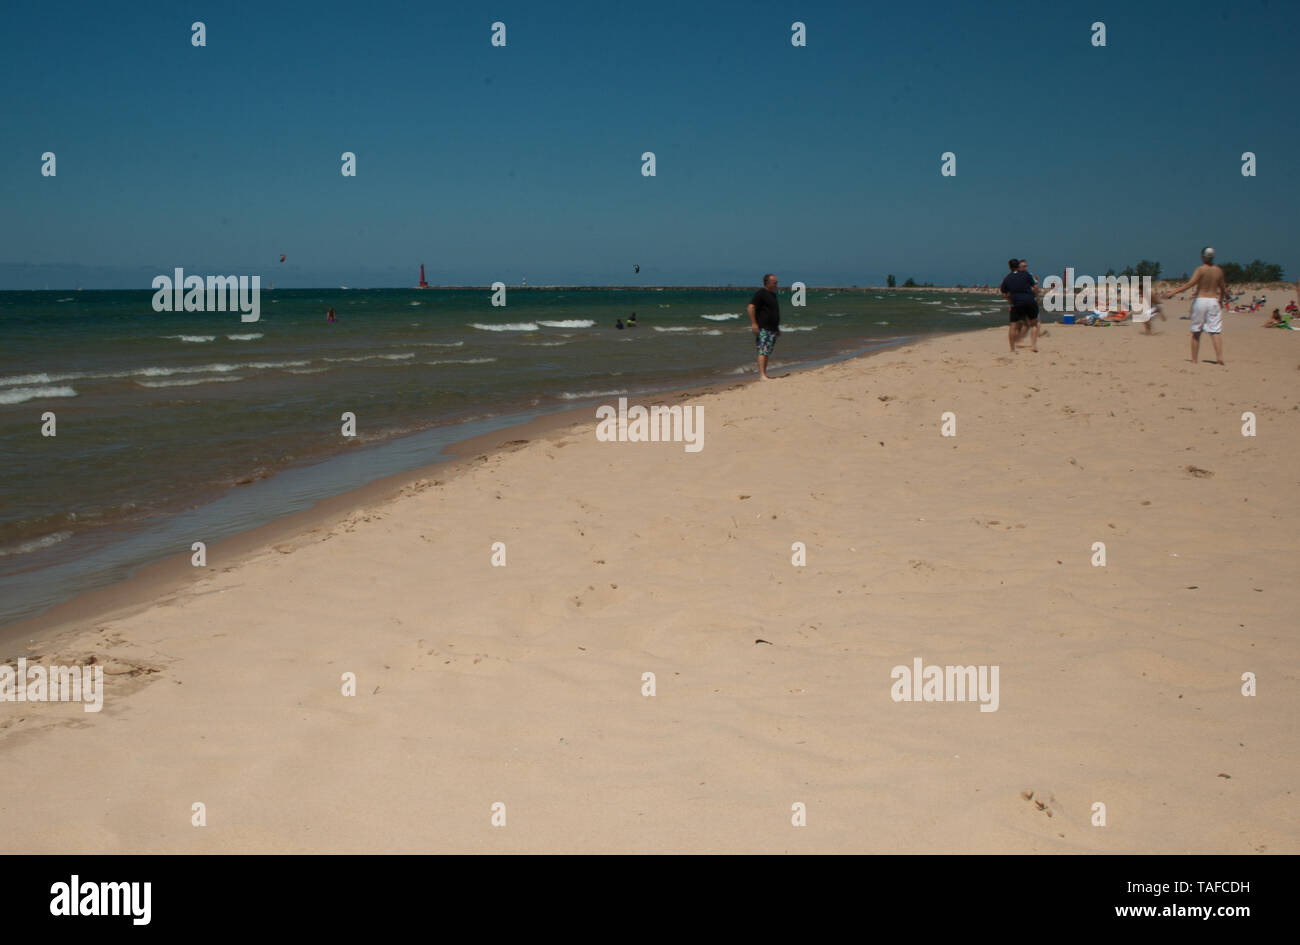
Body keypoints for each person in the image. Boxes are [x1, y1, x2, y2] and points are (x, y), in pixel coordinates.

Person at [1163, 247, 1228, 365]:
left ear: (1202, 256)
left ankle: (1194, 360)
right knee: (1215, 332)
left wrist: (1172, 292)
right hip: (1213, 300)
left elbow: (1189, 284)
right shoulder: (1218, 270)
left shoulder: (1200, 269)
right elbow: (1223, 289)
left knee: (1196, 332)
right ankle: (1219, 358)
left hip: (1201, 300)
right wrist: (1220, 300)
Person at [1000, 257, 1039, 352]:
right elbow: (1035, 287)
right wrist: (1036, 296)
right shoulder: (1026, 274)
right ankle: (1033, 346)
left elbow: (1003, 293)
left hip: (1016, 303)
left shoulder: (1007, 278)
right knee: (1034, 324)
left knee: (1013, 325)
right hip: (1029, 300)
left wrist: (1010, 300)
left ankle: (1012, 349)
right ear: (1018, 266)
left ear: (1009, 267)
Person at [747, 273, 781, 379]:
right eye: (774, 283)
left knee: (767, 351)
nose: (776, 285)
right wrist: (754, 323)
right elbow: (750, 307)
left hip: (772, 328)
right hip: (763, 327)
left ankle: (764, 373)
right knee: (763, 350)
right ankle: (762, 375)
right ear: (768, 283)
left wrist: (777, 328)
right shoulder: (761, 293)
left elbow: (773, 312)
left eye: (777, 283)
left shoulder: (773, 295)